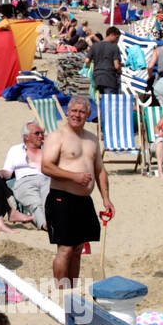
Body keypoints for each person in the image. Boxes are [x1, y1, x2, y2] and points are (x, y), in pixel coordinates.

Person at [41, 96, 113, 289]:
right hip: (61, 198)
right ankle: (61, 292)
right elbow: (46, 167)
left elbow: (100, 170)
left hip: (84, 201)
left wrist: (106, 198)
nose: (77, 115)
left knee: (77, 249)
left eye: (81, 112)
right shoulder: (57, 136)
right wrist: (74, 177)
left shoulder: (92, 139)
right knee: (65, 249)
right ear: (67, 112)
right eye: (74, 111)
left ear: (88, 115)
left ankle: (71, 291)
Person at [0, 120, 50, 228]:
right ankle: (45, 224)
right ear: (26, 137)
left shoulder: (48, 149)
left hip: (46, 179)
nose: (41, 136)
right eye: (37, 133)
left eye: (42, 133)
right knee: (35, 203)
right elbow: (7, 172)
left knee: (49, 201)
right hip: (24, 181)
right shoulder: (15, 150)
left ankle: (53, 223)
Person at [87, 27, 122, 94]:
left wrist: (94, 67)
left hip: (97, 78)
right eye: (117, 38)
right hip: (109, 79)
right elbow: (117, 66)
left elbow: (87, 60)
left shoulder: (95, 46)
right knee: (110, 102)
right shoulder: (114, 47)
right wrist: (120, 71)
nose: (117, 41)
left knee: (100, 101)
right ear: (112, 35)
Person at [148, 24, 163, 110]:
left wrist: (150, 76)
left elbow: (150, 66)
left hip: (161, 79)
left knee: (159, 101)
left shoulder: (158, 50)